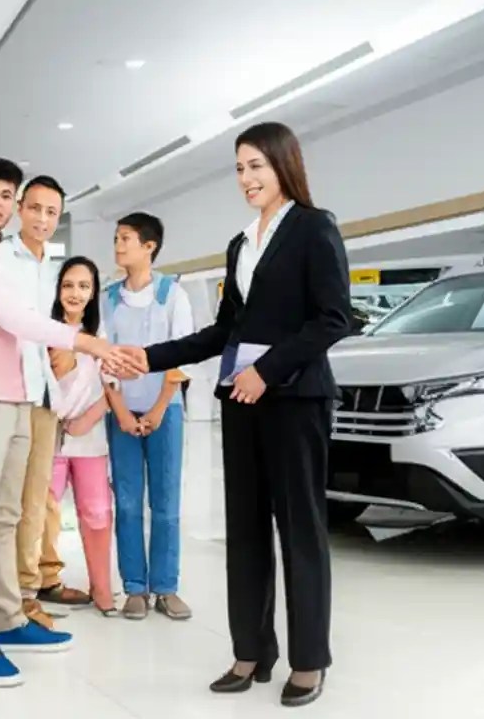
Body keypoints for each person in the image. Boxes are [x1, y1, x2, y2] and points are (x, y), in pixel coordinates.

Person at [112, 122, 353, 708]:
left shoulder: (313, 227)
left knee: (300, 533)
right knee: (244, 531)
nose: (246, 178)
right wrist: (148, 356)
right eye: (240, 168)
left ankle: (309, 661)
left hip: (294, 401)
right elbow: (225, 331)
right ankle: (251, 650)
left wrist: (266, 370)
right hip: (240, 403)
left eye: (256, 166)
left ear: (282, 165)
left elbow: (333, 318)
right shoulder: (241, 243)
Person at [0, 157, 133, 687]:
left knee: (7, 517)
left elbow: (25, 321)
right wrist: (90, 341)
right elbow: (15, 317)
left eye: (6, 193)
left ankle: (9, 618)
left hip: (21, 394)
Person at [0, 176, 91, 628]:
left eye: (51, 212)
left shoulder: (49, 269)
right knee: (10, 503)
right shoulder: (0, 258)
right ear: (20, 208)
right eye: (34, 208)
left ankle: (26, 589)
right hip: (5, 393)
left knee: (37, 501)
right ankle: (14, 596)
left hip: (42, 396)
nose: (42, 218)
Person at [101, 212, 194, 621]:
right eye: (117, 238)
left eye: (126, 239)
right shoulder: (107, 299)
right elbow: (102, 360)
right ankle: (134, 588)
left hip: (165, 410)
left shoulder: (173, 294)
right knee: (126, 501)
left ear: (149, 246)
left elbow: (181, 357)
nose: (119, 245)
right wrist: (121, 411)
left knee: (166, 502)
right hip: (121, 411)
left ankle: (166, 587)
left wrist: (157, 410)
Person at [47, 256, 117, 616]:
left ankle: (102, 587)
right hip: (50, 437)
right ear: (57, 289)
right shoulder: (45, 330)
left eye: (84, 286)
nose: (75, 293)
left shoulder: (101, 335)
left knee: (97, 512)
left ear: (93, 293)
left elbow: (112, 386)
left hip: (89, 438)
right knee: (44, 514)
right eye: (68, 285)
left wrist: (88, 419)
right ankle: (40, 584)